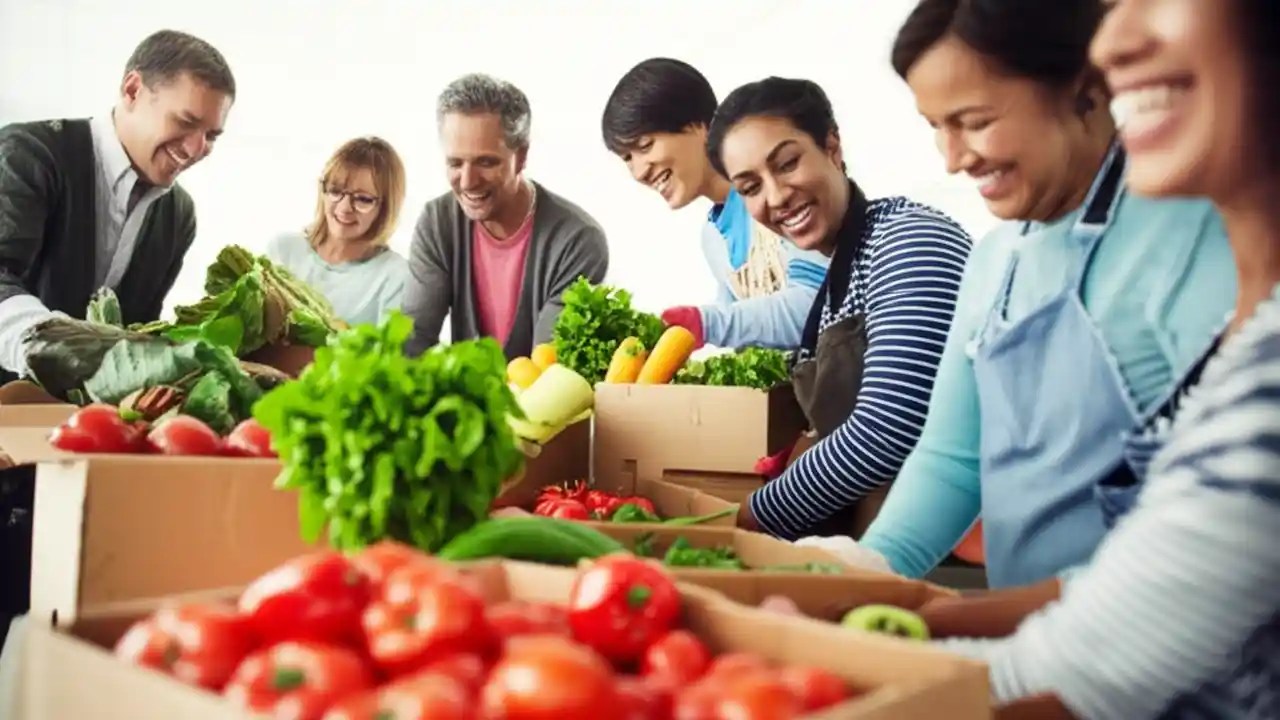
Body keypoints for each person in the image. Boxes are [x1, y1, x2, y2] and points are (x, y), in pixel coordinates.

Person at [936, 1, 1280, 716]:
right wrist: (911, 616)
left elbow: (1081, 676)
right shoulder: (1247, 346)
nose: (1110, 42)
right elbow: (1149, 587)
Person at [826, 0, 1235, 591]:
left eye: (975, 121)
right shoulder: (995, 260)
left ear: (1085, 91)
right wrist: (871, 570)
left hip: (1167, 629)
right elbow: (953, 461)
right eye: (937, 126)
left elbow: (1222, 524)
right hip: (1031, 631)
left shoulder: (1194, 236)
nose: (953, 159)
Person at [706, 77, 974, 540]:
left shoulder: (910, 241)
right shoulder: (837, 277)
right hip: (889, 539)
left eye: (787, 164)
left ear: (832, 147)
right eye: (750, 187)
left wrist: (751, 517)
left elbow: (888, 430)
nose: (776, 196)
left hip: (955, 546)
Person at [0, 29, 236, 382]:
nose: (196, 149)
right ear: (133, 90)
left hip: (74, 413)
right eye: (185, 122)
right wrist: (57, 349)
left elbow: (135, 333)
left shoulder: (179, 214)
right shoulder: (28, 154)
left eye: (211, 136)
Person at [601, 58, 830, 350]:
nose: (639, 172)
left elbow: (817, 307)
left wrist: (704, 323)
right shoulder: (713, 237)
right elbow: (743, 335)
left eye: (645, 145)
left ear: (698, 124)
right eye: (627, 158)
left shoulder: (783, 197)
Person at [402, 73, 609, 359]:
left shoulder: (577, 241)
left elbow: (548, 365)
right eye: (455, 163)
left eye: (486, 162)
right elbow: (412, 340)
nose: (467, 182)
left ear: (521, 157)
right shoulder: (437, 223)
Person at [268, 137, 409, 326]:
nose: (344, 208)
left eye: (363, 199)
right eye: (335, 191)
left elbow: (392, 345)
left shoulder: (397, 277)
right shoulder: (283, 251)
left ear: (385, 207)